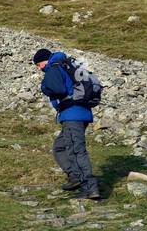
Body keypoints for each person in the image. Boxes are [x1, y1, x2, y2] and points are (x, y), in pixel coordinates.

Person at [32, 48, 102, 200]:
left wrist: (44, 87)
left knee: (77, 151)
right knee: (60, 147)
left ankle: (90, 188)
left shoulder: (54, 67)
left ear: (45, 60)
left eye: (38, 65)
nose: (38, 68)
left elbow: (58, 89)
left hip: (72, 114)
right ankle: (75, 177)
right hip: (80, 113)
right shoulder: (67, 64)